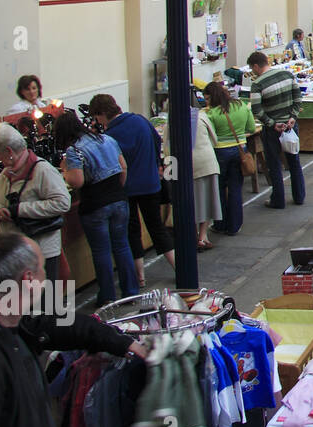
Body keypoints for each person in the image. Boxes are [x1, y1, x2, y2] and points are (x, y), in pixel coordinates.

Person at [0, 232, 147, 427]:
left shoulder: (12, 324)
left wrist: (121, 342)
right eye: (43, 268)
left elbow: (61, 325)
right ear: (28, 279)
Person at [88, 94, 174, 283]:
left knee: (132, 231)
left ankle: (140, 277)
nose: (97, 121)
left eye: (97, 117)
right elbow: (156, 141)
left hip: (127, 189)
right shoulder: (140, 120)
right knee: (157, 228)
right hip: (151, 183)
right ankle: (178, 267)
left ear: (102, 114)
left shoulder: (110, 136)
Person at [56, 110, 137, 305]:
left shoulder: (74, 151)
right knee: (122, 245)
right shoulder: (107, 139)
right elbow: (123, 166)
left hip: (95, 204)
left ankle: (108, 296)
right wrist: (118, 189)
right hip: (119, 198)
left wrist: (65, 171)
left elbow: (77, 181)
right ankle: (131, 292)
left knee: (101, 251)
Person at [0, 125, 70, 283]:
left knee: (44, 302)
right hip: (13, 250)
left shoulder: (43, 170)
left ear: (9, 152)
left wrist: (19, 210)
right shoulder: (6, 174)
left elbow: (62, 203)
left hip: (40, 250)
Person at [247, 50, 305, 209]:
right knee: (294, 161)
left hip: (273, 130)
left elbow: (257, 110)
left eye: (252, 69)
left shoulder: (257, 84)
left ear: (256, 66)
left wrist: (272, 123)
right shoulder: (287, 75)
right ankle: (299, 196)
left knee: (274, 164)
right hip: (291, 126)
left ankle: (278, 200)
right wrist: (292, 117)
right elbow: (298, 98)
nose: (253, 72)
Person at [203, 82, 256, 237]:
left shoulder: (211, 114)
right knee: (235, 188)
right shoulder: (242, 106)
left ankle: (220, 224)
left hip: (219, 152)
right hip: (240, 150)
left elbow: (208, 135)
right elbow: (251, 129)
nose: (206, 102)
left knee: (219, 189)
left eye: (207, 99)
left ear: (212, 97)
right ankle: (234, 225)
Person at [168, 105, 221, 252]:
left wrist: (170, 173)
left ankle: (193, 234)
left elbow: (167, 145)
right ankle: (203, 236)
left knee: (188, 201)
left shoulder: (171, 120)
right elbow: (215, 140)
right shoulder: (202, 117)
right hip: (206, 162)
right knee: (206, 200)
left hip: (183, 165)